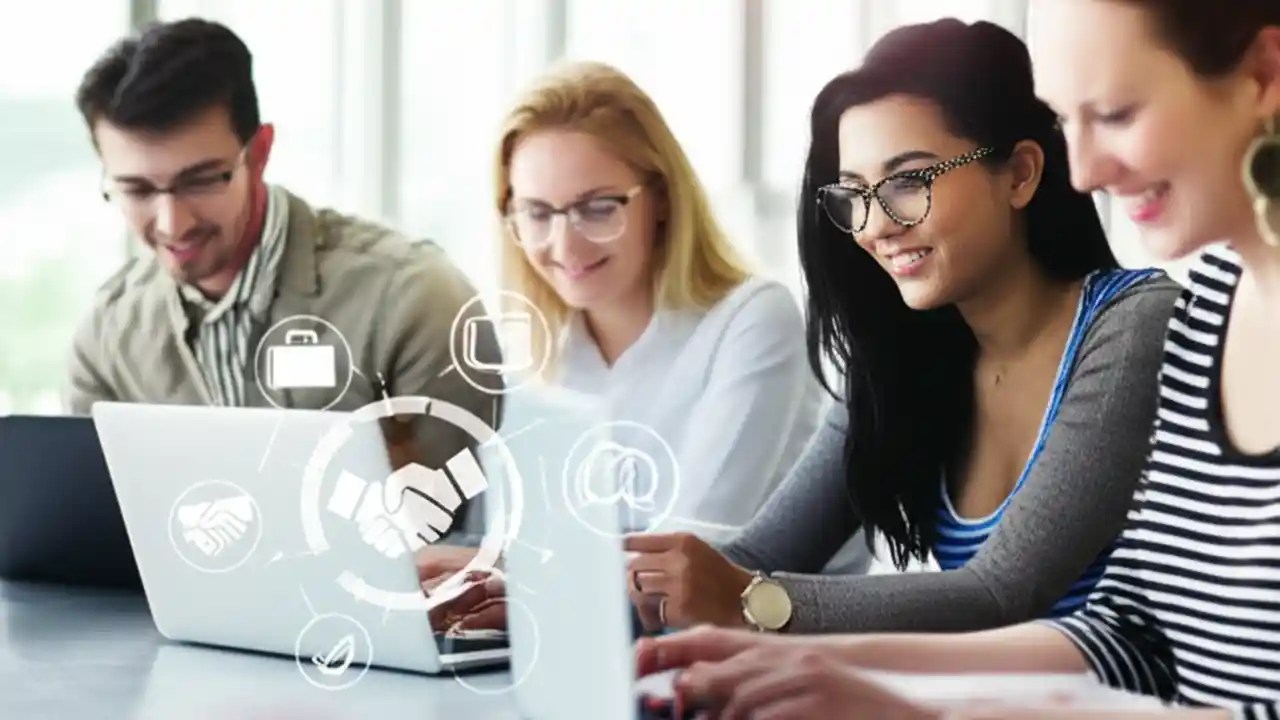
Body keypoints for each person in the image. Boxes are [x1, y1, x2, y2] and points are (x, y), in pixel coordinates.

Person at [637, 1, 1280, 718]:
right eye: (854, 195)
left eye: (1120, 113)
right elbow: (1127, 630)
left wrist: (791, 629)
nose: (1088, 172)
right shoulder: (1218, 304)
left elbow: (1007, 594)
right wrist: (575, 586)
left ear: (1020, 175)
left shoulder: (1148, 323)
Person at [414, 60, 825, 590]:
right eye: (537, 213)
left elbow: (684, 563)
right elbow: (508, 539)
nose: (564, 247)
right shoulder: (534, 346)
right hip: (576, 633)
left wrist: (507, 570)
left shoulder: (753, 322)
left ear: (659, 198)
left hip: (744, 648)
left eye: (597, 208)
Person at [66, 19, 501, 483]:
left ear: (260, 152)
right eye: (136, 190)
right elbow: (92, 525)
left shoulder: (413, 300)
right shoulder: (108, 336)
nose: (173, 222)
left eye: (201, 181)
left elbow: (461, 517)